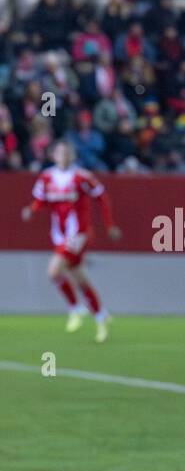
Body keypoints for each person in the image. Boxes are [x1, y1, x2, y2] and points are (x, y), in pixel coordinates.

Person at [21, 141, 120, 343]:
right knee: (79, 276)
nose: (63, 156)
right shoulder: (47, 177)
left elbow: (101, 197)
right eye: (59, 153)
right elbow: (40, 200)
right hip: (59, 234)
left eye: (67, 153)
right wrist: (31, 210)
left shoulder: (82, 177)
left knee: (53, 271)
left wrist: (110, 224)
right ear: (53, 156)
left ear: (72, 156)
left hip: (79, 234)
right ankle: (101, 317)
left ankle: (75, 309)